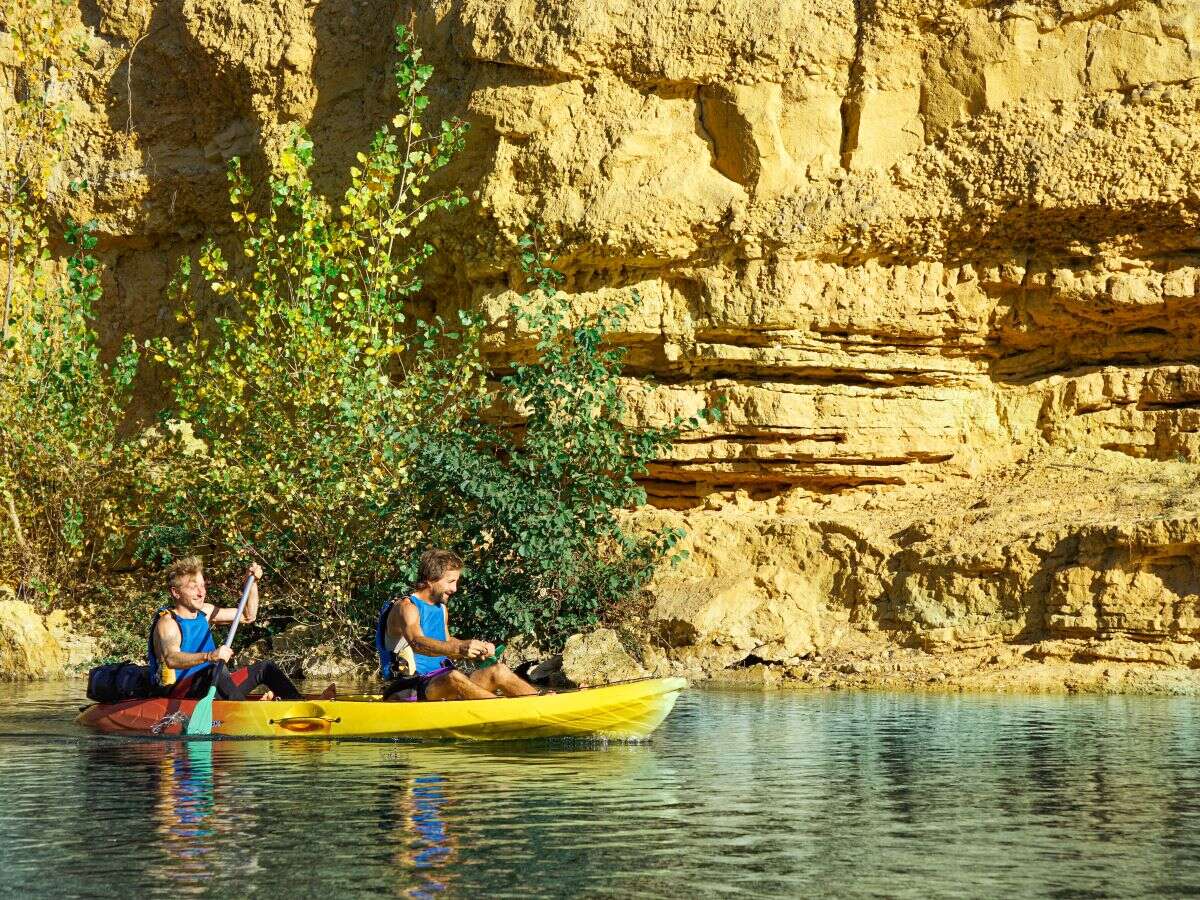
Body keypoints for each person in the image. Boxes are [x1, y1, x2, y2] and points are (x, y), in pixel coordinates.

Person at [378, 549, 537, 701]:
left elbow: (447, 644)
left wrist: (475, 648)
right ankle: (504, 713)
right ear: (430, 580)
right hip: (406, 688)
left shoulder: (441, 608)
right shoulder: (406, 607)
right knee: (454, 677)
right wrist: (459, 648)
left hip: (440, 683)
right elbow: (417, 643)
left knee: (499, 671)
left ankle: (537, 704)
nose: (454, 588)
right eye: (450, 582)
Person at [148, 556, 305, 701]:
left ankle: (300, 705)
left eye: (202, 585)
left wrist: (252, 583)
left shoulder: (206, 611)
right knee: (213, 670)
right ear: (176, 592)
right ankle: (247, 713)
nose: (201, 592)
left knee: (266, 668)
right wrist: (210, 656)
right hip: (179, 694)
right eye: (193, 587)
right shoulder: (168, 623)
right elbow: (171, 659)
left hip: (214, 684)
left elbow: (248, 615)